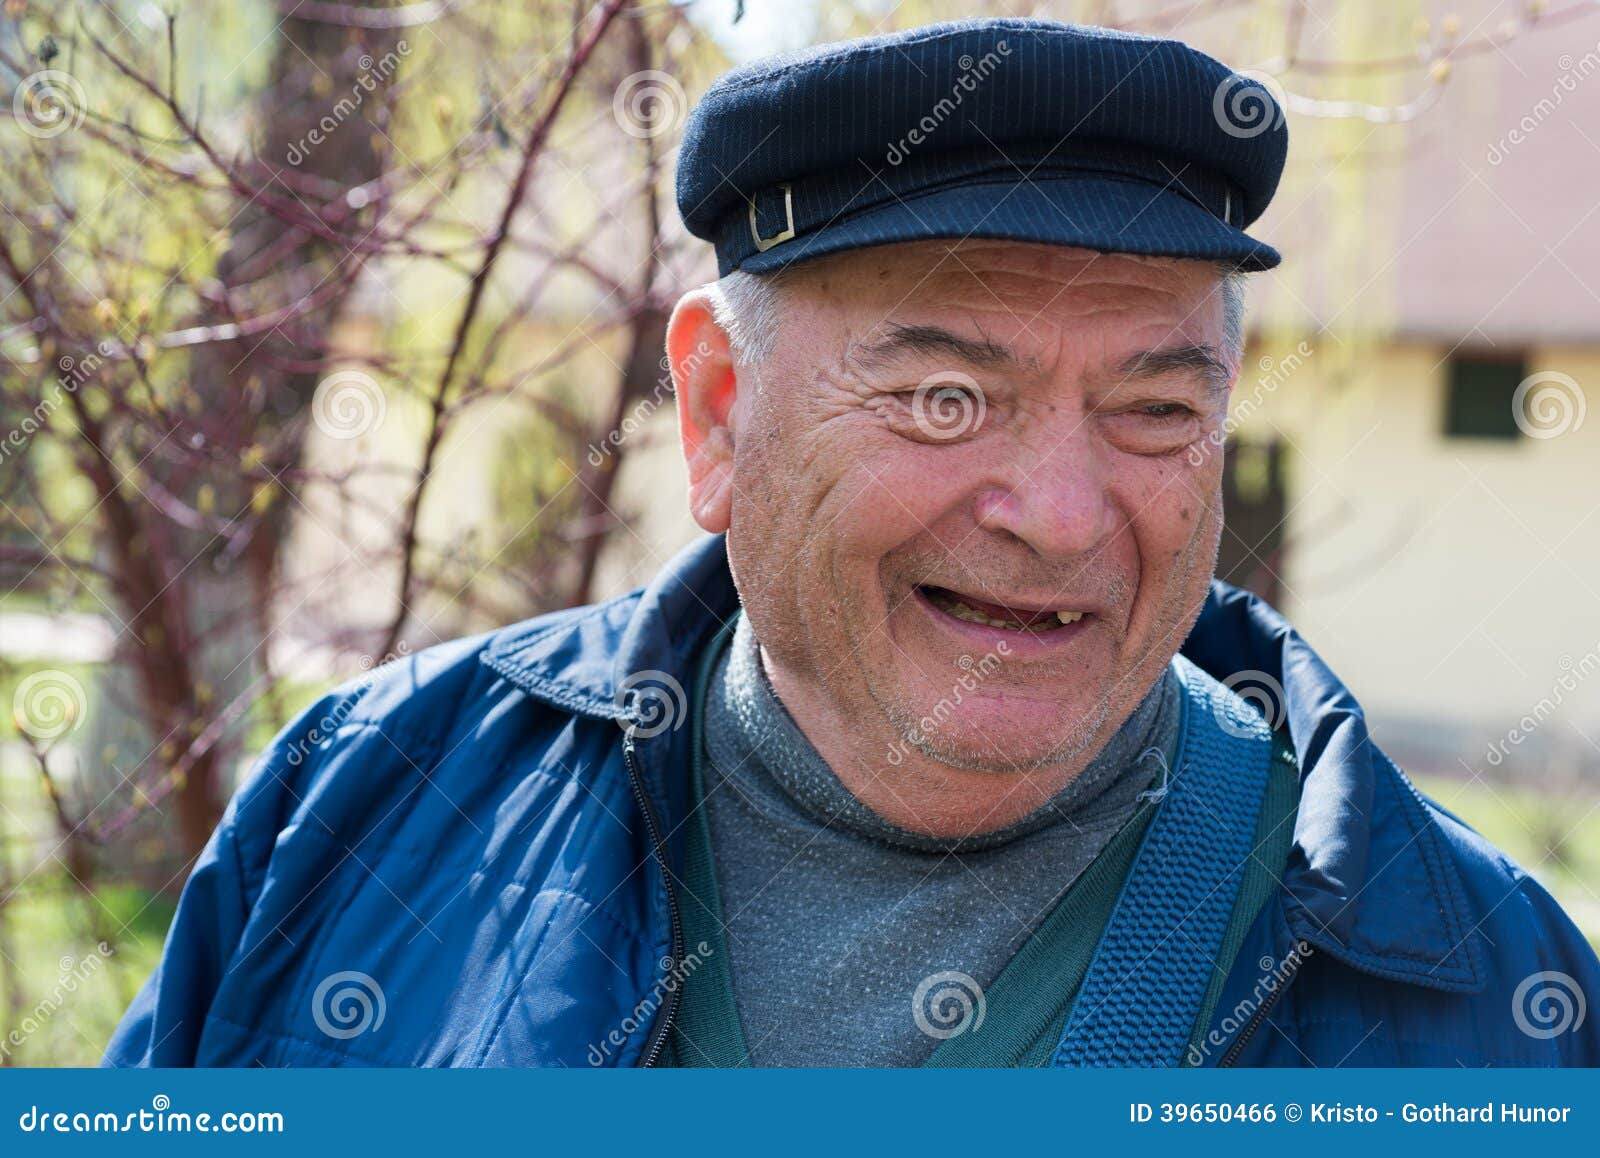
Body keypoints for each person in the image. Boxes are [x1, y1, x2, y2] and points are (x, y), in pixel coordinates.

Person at [107, 18, 1600, 1068]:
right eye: (949, 397)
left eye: (1154, 409)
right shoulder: (366, 811)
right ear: (716, 412)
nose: (1065, 514)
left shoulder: (1484, 987)